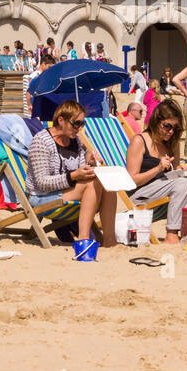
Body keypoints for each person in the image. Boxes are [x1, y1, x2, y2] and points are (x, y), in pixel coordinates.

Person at [24, 99, 117, 255]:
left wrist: (91, 165)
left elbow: (81, 172)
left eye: (82, 124)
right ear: (61, 120)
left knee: (106, 182)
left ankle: (109, 241)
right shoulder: (41, 141)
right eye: (76, 123)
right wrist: (74, 175)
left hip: (68, 190)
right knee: (92, 184)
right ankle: (83, 239)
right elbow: (41, 183)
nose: (79, 128)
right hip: (41, 196)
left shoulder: (75, 141)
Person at [125, 101, 187, 244]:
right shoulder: (139, 141)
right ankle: (172, 235)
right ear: (157, 121)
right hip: (139, 195)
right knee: (182, 184)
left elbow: (175, 171)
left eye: (175, 128)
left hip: (162, 190)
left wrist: (181, 169)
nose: (171, 131)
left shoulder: (171, 142)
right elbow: (131, 181)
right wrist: (158, 168)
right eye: (167, 126)